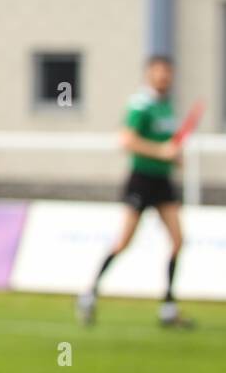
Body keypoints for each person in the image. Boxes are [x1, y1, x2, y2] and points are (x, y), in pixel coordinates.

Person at [77, 55, 193, 328]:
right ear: (149, 74)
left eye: (168, 72)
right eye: (159, 72)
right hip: (141, 180)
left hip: (163, 181)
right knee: (124, 242)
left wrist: (174, 157)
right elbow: (126, 140)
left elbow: (168, 144)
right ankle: (89, 292)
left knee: (178, 240)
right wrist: (160, 152)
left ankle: (168, 306)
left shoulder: (166, 107)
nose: (164, 77)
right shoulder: (140, 105)